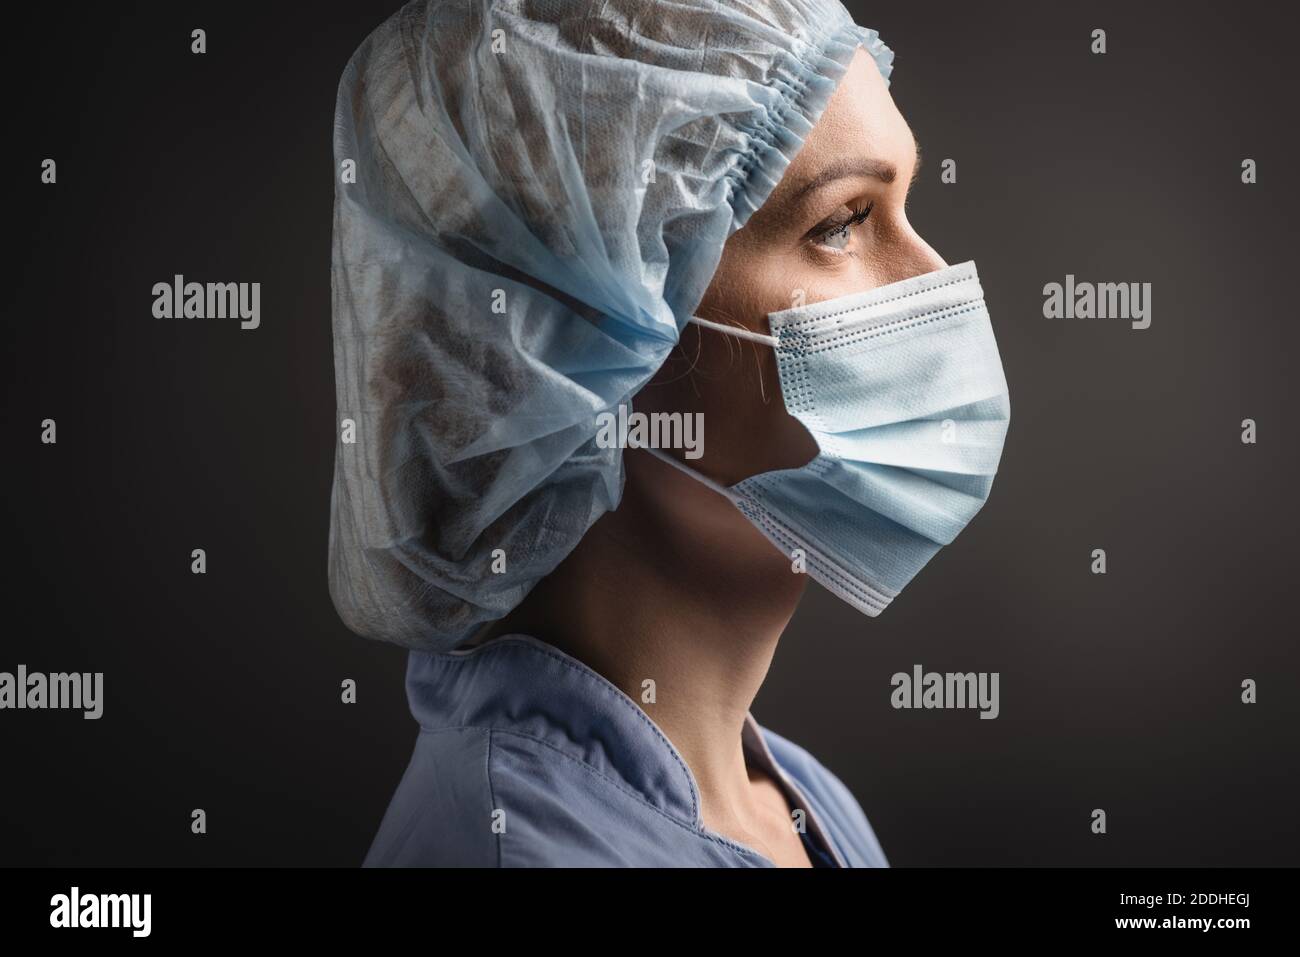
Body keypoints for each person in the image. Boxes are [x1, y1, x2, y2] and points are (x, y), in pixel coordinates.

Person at [329, 0, 1010, 867]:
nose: (936, 280)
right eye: (840, 224)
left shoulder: (796, 804)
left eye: (904, 207)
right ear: (582, 333)